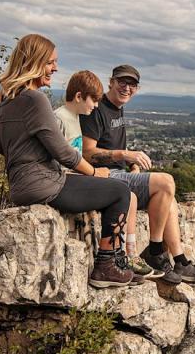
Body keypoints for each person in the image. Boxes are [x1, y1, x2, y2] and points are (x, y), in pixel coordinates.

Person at [0, 34, 136, 288]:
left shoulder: (1, 101)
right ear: (34, 61)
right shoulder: (34, 99)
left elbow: (2, 147)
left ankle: (109, 263)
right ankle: (107, 266)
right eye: (50, 62)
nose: (55, 68)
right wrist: (94, 172)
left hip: (18, 185)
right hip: (44, 184)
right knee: (119, 192)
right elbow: (64, 153)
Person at [80, 64, 195, 285]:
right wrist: (125, 154)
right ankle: (155, 252)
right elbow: (87, 153)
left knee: (168, 197)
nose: (127, 88)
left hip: (119, 174)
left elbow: (118, 154)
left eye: (132, 84)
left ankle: (180, 261)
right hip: (102, 177)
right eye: (122, 82)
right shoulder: (97, 109)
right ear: (111, 82)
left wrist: (131, 166)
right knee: (166, 181)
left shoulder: (118, 108)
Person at [54, 70, 156, 279]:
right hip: (67, 180)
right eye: (93, 100)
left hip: (79, 176)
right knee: (122, 191)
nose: (95, 106)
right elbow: (60, 157)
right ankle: (111, 259)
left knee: (130, 196)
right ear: (79, 96)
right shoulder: (60, 118)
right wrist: (93, 172)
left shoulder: (76, 117)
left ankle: (123, 255)